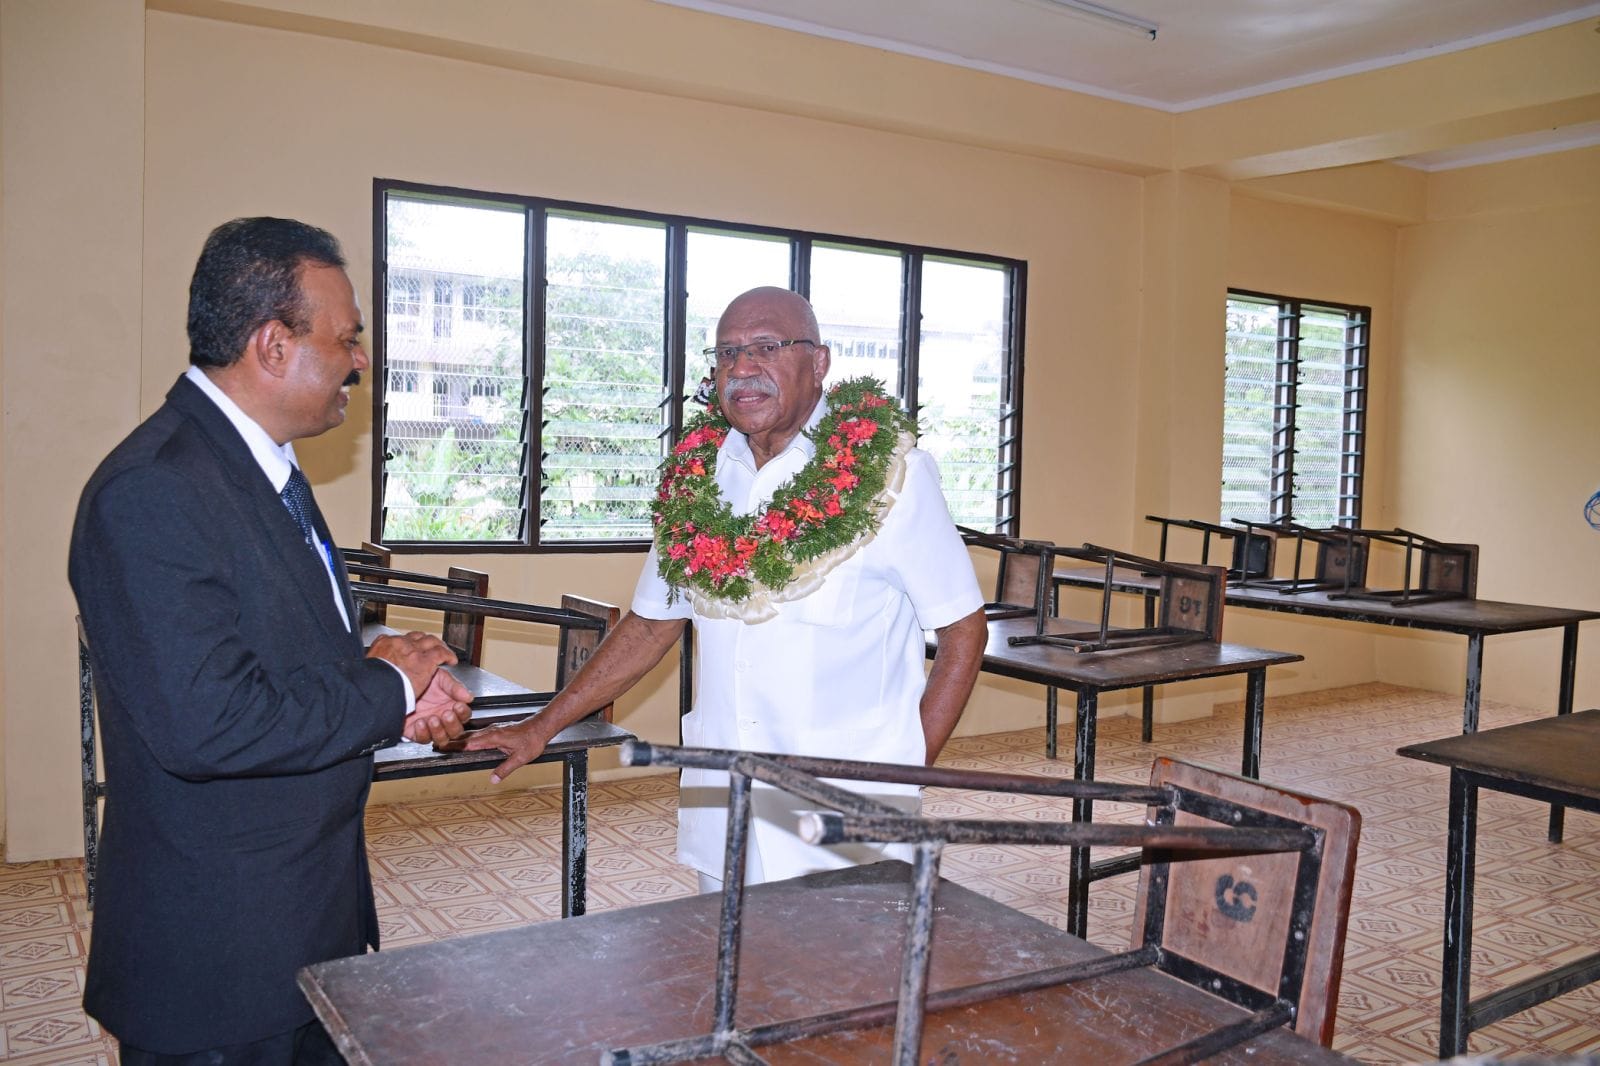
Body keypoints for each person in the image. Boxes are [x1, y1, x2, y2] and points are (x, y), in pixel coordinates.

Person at [69, 217, 473, 1064]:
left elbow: (284, 663)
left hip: (303, 924)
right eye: (347, 338)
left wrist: (392, 706)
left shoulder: (262, 468)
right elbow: (206, 721)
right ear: (274, 345)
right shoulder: (153, 490)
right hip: (220, 962)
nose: (361, 360)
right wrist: (388, 686)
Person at [465, 286, 987, 890]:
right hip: (724, 800)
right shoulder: (697, 479)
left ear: (818, 362)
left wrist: (907, 774)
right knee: (725, 950)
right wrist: (541, 726)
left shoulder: (894, 477)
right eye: (728, 353)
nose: (742, 368)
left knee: (847, 955)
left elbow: (963, 632)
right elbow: (651, 624)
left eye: (767, 347)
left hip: (846, 809)